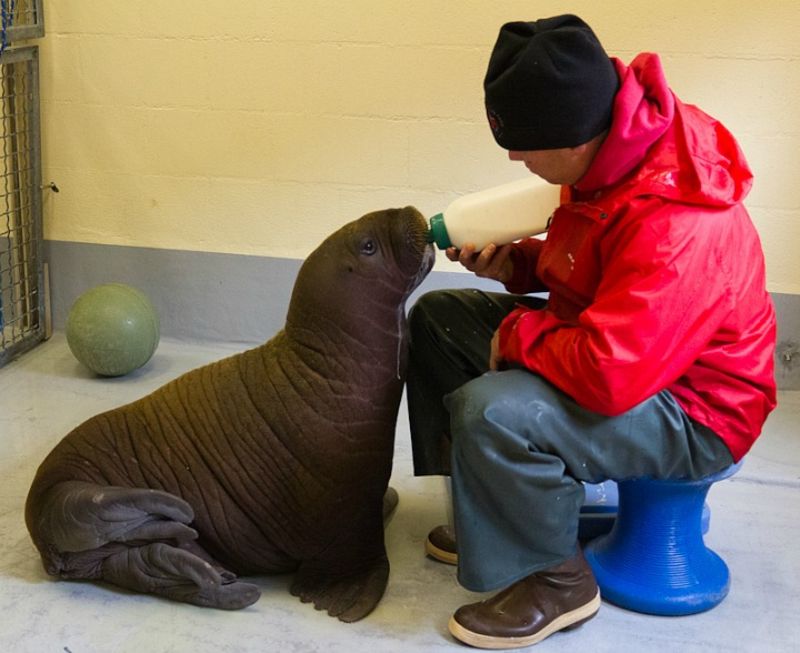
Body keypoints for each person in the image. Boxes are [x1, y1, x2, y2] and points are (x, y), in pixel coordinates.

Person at [406, 14, 777, 649]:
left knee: (492, 412)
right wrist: (517, 262)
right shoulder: (614, 150)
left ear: (574, 136)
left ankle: (558, 584)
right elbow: (601, 271)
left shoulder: (677, 219)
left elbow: (609, 373)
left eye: (521, 145)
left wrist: (518, 337)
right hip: (634, 355)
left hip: (697, 409)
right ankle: (487, 512)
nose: (516, 158)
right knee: (439, 320)